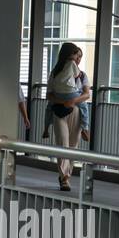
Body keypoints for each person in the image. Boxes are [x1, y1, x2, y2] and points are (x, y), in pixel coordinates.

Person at [47, 43, 89, 192]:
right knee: (62, 143)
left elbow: (86, 94)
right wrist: (62, 101)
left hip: (76, 111)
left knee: (73, 145)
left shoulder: (82, 75)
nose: (77, 59)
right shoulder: (55, 72)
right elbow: (49, 95)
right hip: (59, 111)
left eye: (79, 57)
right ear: (67, 55)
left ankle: (66, 176)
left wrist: (72, 101)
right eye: (76, 56)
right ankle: (64, 177)